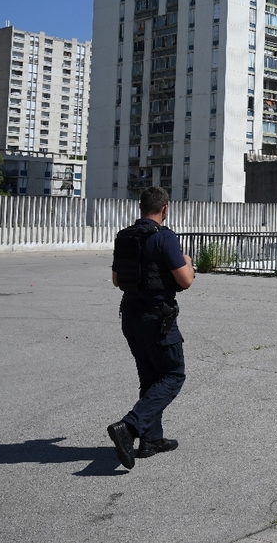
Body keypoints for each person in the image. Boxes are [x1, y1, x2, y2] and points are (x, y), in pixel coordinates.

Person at [106, 186, 195, 471]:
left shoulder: (125, 237)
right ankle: (129, 427)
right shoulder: (164, 238)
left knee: (150, 377)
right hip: (158, 319)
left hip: (130, 316)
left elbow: (117, 280)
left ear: (141, 207)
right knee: (172, 375)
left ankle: (151, 440)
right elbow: (185, 281)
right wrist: (189, 263)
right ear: (165, 209)